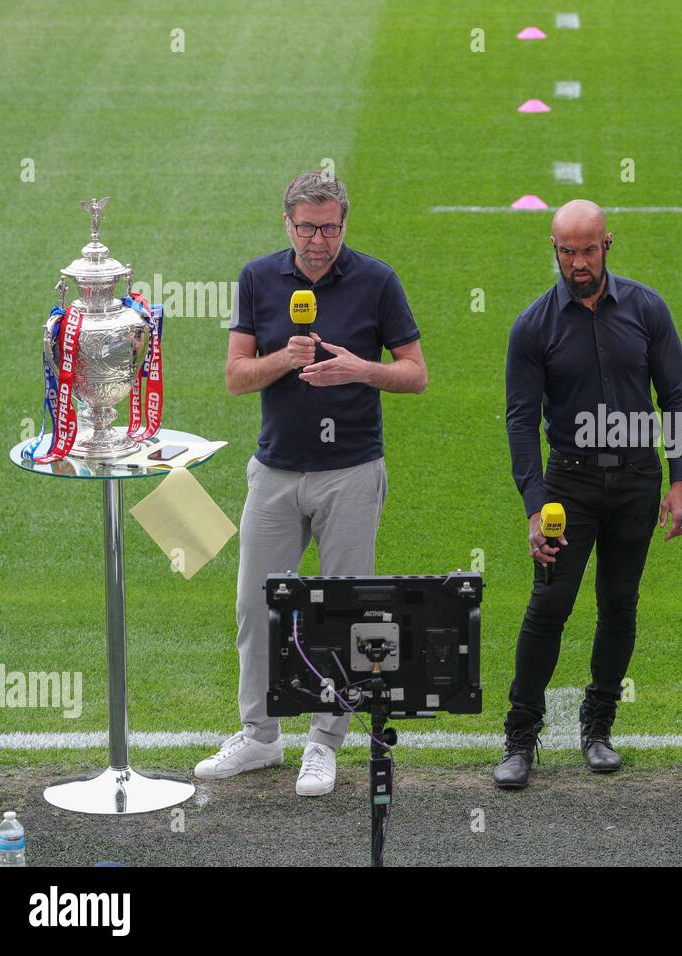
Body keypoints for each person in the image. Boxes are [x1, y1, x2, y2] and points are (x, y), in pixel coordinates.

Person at [195, 171, 426, 796]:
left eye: (329, 227)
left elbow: (415, 374)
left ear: (344, 225)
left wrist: (359, 370)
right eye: (307, 228)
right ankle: (260, 737)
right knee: (254, 606)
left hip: (351, 472)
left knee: (343, 612)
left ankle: (324, 743)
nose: (319, 240)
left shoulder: (377, 281)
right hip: (275, 470)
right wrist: (284, 361)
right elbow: (237, 376)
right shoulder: (257, 278)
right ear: (288, 225)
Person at [495, 199, 682, 789]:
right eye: (566, 251)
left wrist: (679, 479)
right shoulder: (533, 325)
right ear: (552, 248)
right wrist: (535, 506)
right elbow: (519, 419)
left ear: (608, 243)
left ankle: (598, 727)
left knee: (619, 603)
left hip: (637, 479)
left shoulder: (647, 309)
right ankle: (519, 737)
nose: (577, 262)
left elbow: (675, 398)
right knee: (548, 607)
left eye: (587, 249)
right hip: (569, 487)